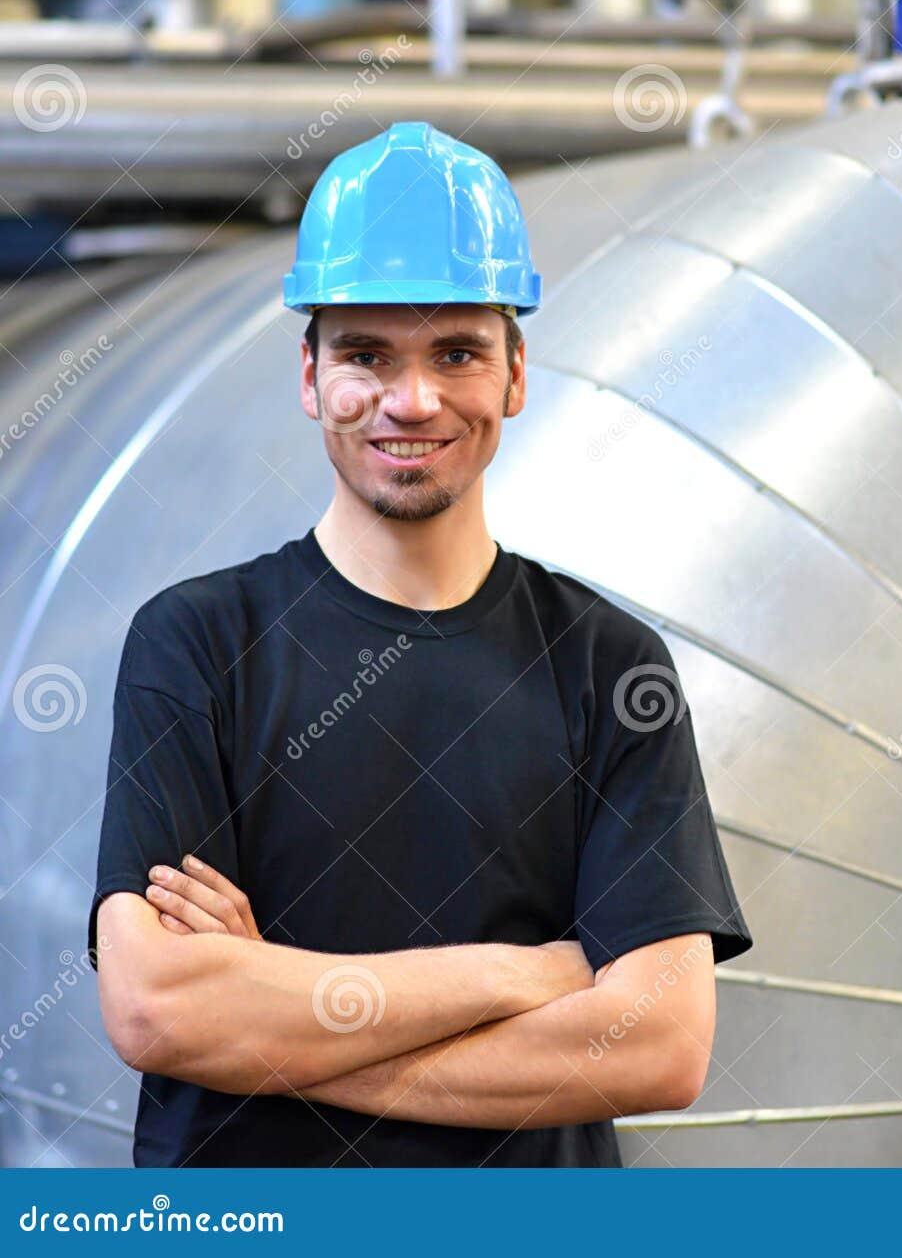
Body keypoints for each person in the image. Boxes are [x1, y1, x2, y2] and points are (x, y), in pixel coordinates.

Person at [87, 121, 753, 1167]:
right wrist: (517, 973)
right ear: (310, 376)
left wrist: (279, 1014)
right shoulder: (196, 644)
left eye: (455, 353)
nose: (412, 400)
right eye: (365, 354)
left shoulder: (609, 667)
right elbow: (159, 1012)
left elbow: (658, 1047)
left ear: (515, 374)